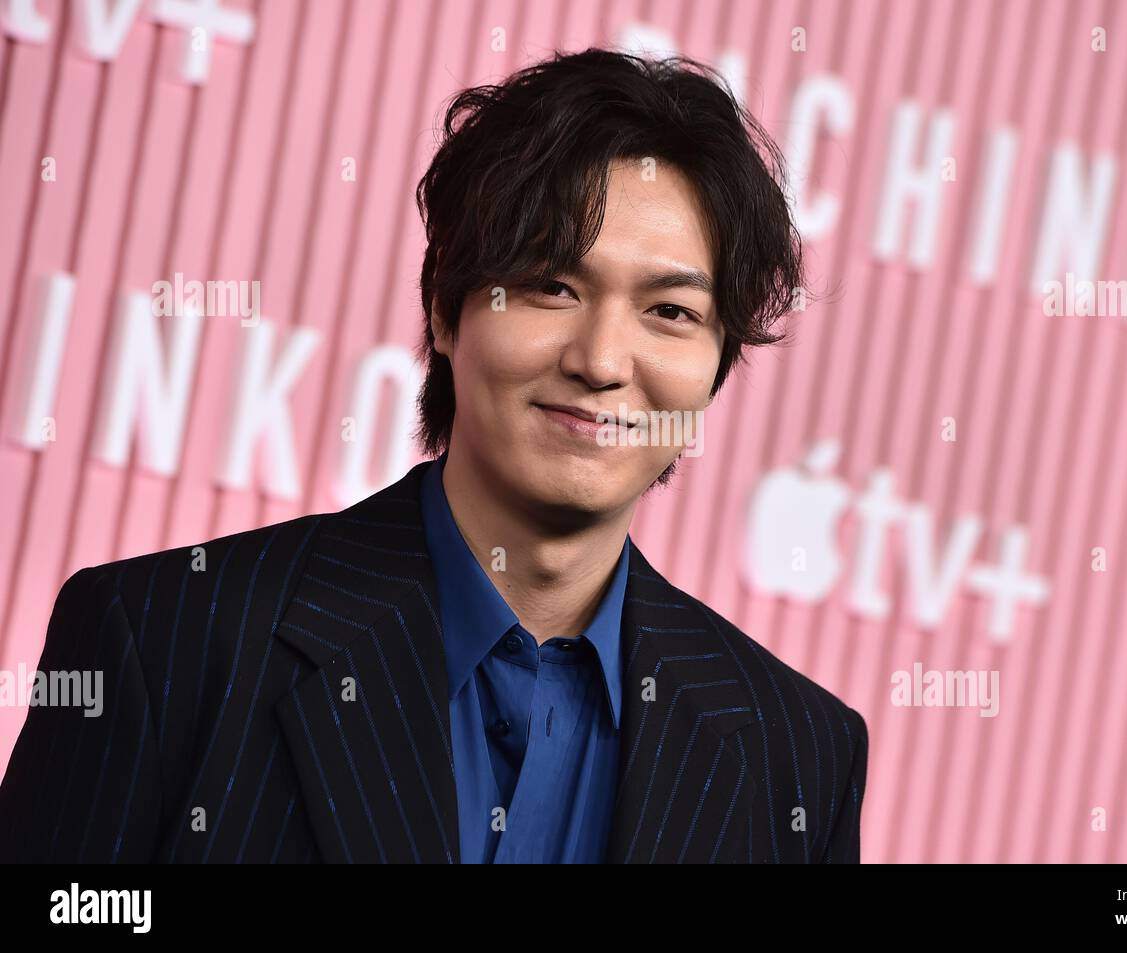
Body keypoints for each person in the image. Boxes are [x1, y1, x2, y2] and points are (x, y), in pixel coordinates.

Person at [0, 47, 867, 863]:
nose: (601, 361)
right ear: (447, 309)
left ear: (718, 363)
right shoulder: (162, 639)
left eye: (670, 312)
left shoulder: (799, 758)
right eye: (550, 286)